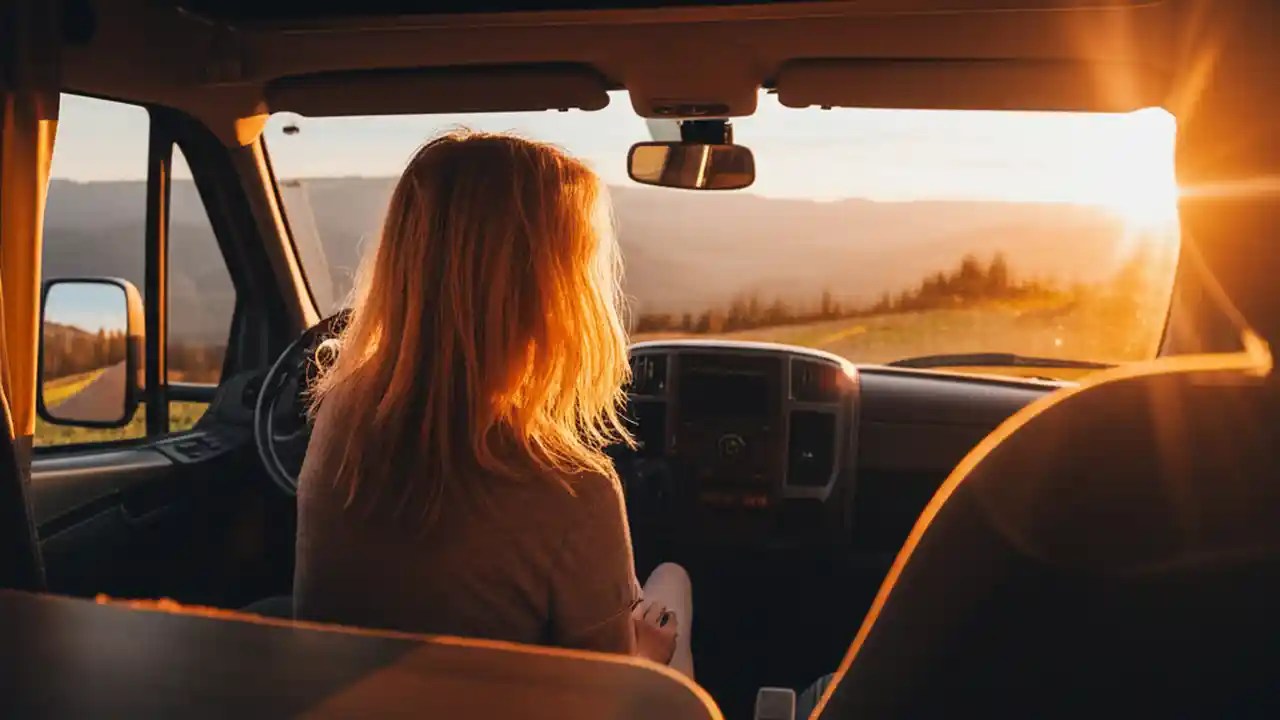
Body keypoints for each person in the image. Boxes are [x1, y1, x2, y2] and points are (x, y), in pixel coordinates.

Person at [293, 130, 694, 677]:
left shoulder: (339, 416)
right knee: (673, 585)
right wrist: (648, 653)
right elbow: (608, 697)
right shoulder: (573, 490)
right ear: (553, 294)